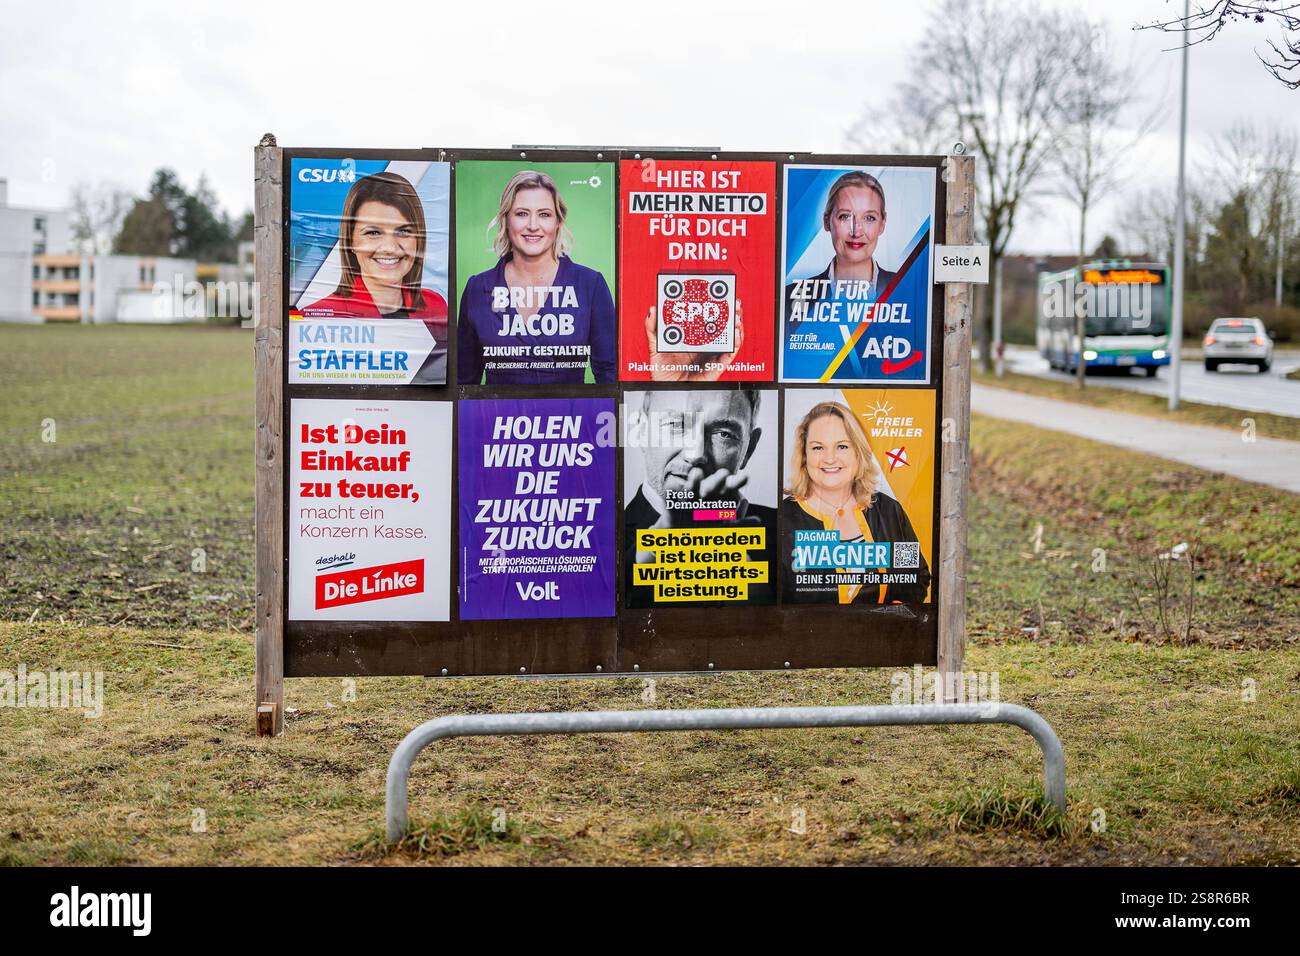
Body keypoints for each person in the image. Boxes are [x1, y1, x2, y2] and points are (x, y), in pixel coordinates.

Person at [458, 170, 616, 385]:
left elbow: (610, 376)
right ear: (506, 219)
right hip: (496, 419)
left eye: (544, 214)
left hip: (572, 418)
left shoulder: (590, 285)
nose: (533, 225)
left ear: (558, 222)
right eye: (522, 213)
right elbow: (464, 382)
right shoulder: (478, 288)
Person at [624, 389, 776, 605]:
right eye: (675, 424)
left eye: (724, 434)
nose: (695, 455)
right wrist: (652, 552)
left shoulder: (785, 534)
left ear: (748, 449)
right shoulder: (597, 537)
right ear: (640, 431)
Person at [781, 401, 929, 604]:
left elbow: (916, 577)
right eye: (818, 448)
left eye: (842, 446)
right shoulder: (782, 518)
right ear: (804, 456)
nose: (829, 458)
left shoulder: (888, 510)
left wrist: (892, 617)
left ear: (858, 452)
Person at [302, 171, 448, 324]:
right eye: (374, 232)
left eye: (403, 231)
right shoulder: (319, 317)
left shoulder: (435, 306)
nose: (390, 248)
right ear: (350, 240)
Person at [782, 170, 895, 325]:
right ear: (827, 222)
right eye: (844, 216)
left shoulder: (904, 290)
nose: (856, 231)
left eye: (869, 218)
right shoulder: (791, 298)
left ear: (882, 224)